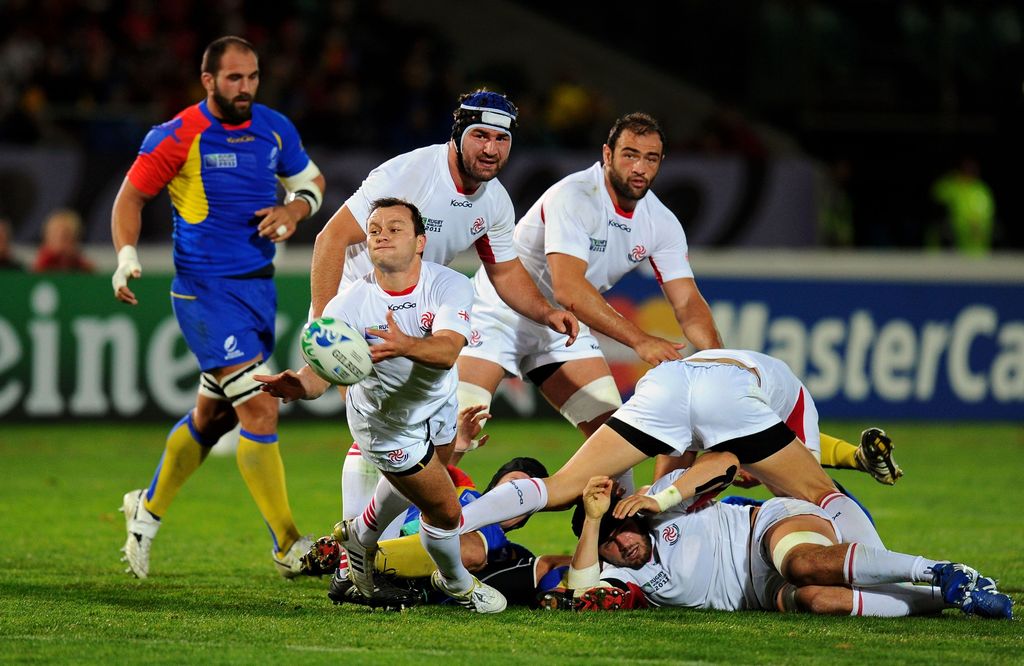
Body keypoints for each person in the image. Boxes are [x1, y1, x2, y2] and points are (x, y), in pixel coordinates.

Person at [455, 112, 894, 491]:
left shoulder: (660, 221)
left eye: (650, 158)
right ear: (607, 154)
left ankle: (613, 552)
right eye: (629, 155)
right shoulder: (575, 196)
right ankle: (419, 537)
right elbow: (569, 288)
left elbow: (687, 303)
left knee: (618, 450)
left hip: (561, 333)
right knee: (456, 436)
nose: (639, 167)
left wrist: (718, 362)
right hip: (499, 315)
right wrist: (640, 340)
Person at [309, 89, 577, 543]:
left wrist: (545, 310)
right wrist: (325, 326)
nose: (491, 149)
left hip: (420, 310)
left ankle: (359, 541)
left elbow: (504, 270)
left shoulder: (494, 201)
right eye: (480, 136)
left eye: (501, 139)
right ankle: (358, 547)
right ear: (457, 135)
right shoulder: (408, 174)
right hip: (363, 305)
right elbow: (330, 239)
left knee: (418, 433)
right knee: (384, 422)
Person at [111, 36, 325, 579]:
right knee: (260, 408)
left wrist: (294, 210)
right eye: (234, 78)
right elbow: (130, 198)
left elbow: (311, 182)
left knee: (213, 417)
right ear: (208, 81)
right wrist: (126, 255)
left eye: (252, 76)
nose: (245, 87)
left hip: (257, 290)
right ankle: (287, 543)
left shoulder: (274, 127)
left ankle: (146, 509)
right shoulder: (177, 134)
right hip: (204, 292)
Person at [256, 198, 507, 613]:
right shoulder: (348, 305)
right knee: (445, 512)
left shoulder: (450, 284)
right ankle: (458, 583)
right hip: (387, 425)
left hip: (439, 404)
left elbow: (447, 351)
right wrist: (301, 385)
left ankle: (360, 536)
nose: (381, 236)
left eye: (394, 228)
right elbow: (322, 372)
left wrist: (404, 345)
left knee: (421, 485)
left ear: (420, 241)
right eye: (373, 230)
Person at [456, 348, 897, 554]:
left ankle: (450, 523)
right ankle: (892, 571)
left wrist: (661, 494)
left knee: (560, 486)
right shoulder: (797, 408)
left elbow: (680, 476)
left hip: (666, 382)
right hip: (727, 389)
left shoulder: (742, 422)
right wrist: (663, 498)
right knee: (820, 497)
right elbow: (749, 465)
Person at [556, 474, 1012, 619]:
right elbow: (581, 594)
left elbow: (724, 461)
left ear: (632, 515)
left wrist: (661, 498)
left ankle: (937, 570)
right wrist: (592, 520)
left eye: (621, 530)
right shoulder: (619, 575)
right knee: (818, 600)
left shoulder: (661, 503)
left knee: (800, 564)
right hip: (759, 595)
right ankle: (950, 595)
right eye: (607, 544)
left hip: (766, 530)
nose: (622, 545)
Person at [32, 208, 94, 272]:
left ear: (76, 239)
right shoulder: (40, 266)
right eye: (55, 236)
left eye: (65, 237)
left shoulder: (83, 267)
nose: (59, 242)